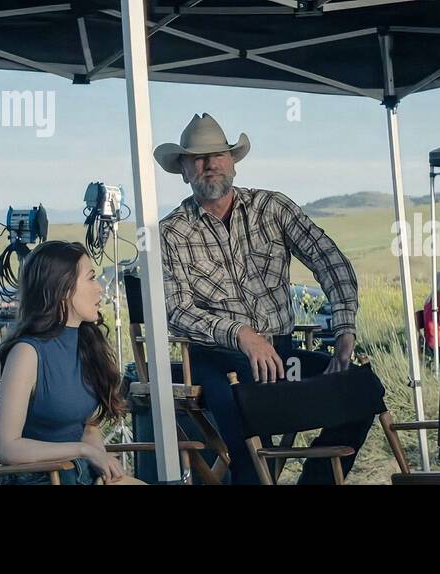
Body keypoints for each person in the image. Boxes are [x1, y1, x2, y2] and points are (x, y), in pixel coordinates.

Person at [156, 113, 370, 485]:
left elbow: (329, 259)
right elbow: (175, 311)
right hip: (218, 362)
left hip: (282, 357)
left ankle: (315, 481)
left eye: (218, 155)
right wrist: (240, 333)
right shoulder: (170, 233)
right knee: (248, 449)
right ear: (184, 170)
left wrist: (345, 328)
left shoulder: (273, 208)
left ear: (233, 163)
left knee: (361, 388)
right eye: (198, 159)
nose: (210, 165)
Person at [0, 241, 135, 485]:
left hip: (80, 475)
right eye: (91, 278)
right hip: (42, 478)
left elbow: (87, 426)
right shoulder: (27, 353)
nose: (100, 288)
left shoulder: (86, 344)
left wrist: (103, 465)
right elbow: (8, 447)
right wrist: (84, 451)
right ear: (63, 289)